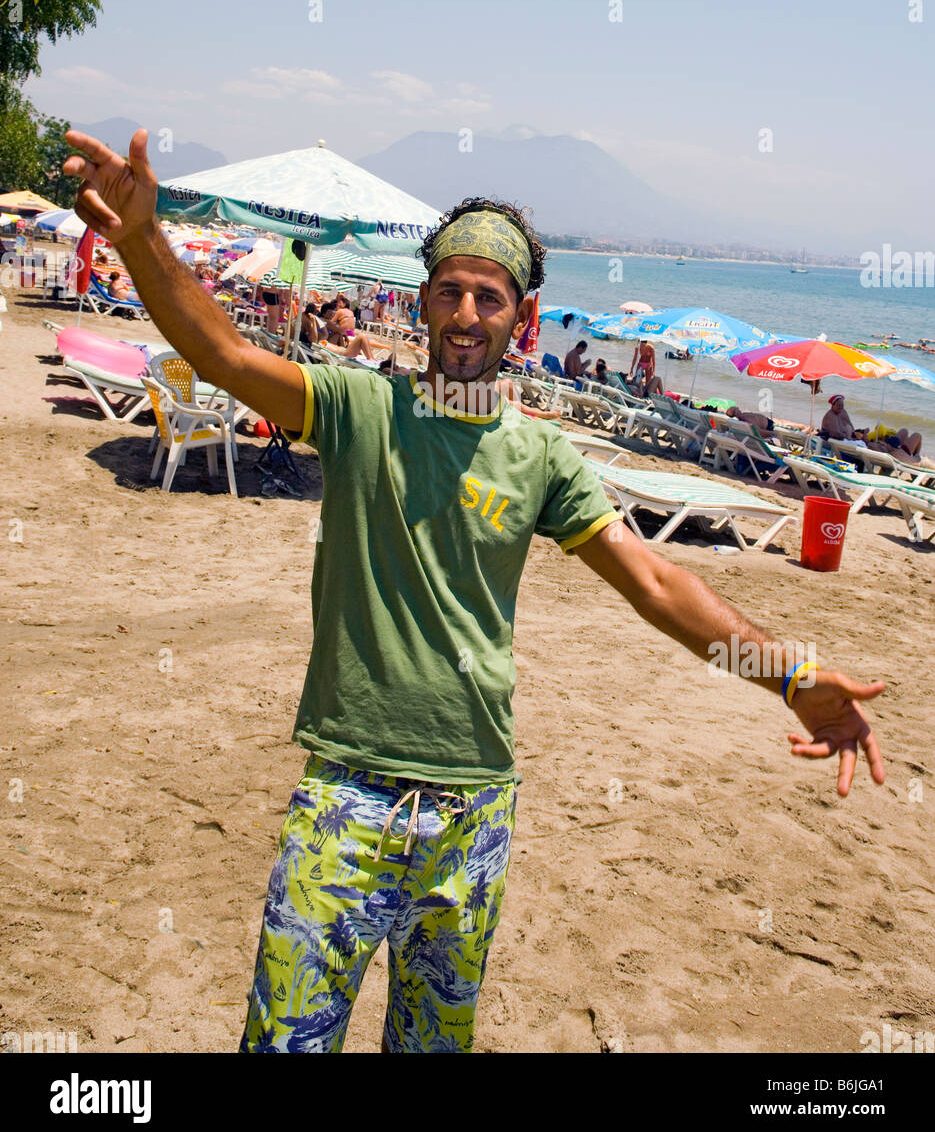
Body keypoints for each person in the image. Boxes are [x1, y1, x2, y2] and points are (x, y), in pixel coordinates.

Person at [64, 129, 887, 1055]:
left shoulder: (540, 457)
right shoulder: (359, 409)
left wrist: (787, 675)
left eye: (486, 297)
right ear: (422, 301)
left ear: (517, 319)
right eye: (449, 290)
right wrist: (141, 237)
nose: (464, 312)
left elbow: (654, 580)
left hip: (472, 812)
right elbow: (222, 356)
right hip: (343, 795)